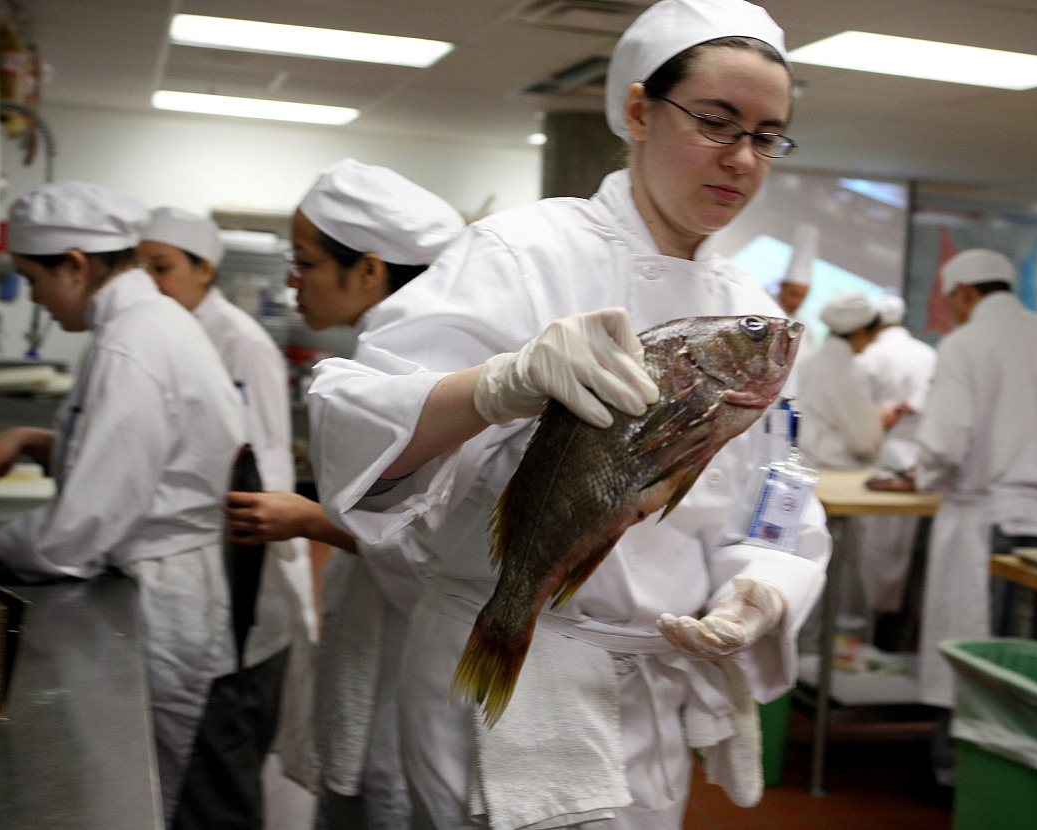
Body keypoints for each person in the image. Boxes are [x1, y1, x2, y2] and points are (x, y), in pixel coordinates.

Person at [306, 2, 831, 827]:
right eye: (716, 122)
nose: (741, 157)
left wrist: (762, 588)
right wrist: (494, 386)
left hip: (652, 690)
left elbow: (780, 495)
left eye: (767, 136)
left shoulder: (751, 317)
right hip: (507, 690)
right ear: (636, 110)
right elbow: (358, 432)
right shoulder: (521, 252)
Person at [0, 181, 284, 828]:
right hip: (182, 577)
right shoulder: (150, 323)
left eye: (32, 280)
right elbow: (145, 460)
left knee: (187, 794)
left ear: (73, 264)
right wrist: (41, 441)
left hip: (172, 593)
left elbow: (86, 522)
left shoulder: (131, 341)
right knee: (188, 782)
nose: (32, 298)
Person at [224, 158, 466, 830]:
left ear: (368, 270)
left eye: (303, 262)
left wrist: (312, 519)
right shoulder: (381, 354)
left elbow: (434, 559)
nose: (290, 280)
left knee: (387, 798)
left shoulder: (427, 375)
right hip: (376, 637)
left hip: (410, 665)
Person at [138, 207, 319, 821]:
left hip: (245, 578)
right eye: (141, 268)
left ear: (203, 268)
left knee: (226, 762)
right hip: (206, 576)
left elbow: (260, 469)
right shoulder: (163, 332)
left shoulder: (239, 342)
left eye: (161, 268)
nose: (149, 282)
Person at [914, 248, 1037, 784]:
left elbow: (944, 444)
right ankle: (1036, 774)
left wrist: (925, 477)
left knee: (978, 655)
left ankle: (964, 778)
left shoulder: (966, 344)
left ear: (964, 292)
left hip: (984, 518)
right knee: (1036, 661)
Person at [854, 293, 936, 633]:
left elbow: (860, 413)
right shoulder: (929, 354)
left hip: (877, 456)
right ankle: (892, 630)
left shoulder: (869, 354)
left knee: (868, 549)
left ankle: (865, 626)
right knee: (903, 551)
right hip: (917, 459)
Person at [795, 291, 903, 469]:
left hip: (803, 464)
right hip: (833, 472)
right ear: (860, 332)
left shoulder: (808, 363)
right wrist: (880, 420)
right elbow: (864, 443)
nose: (874, 340)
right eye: (873, 334)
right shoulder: (847, 371)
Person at [774, 221, 819, 362]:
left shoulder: (806, 330)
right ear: (782, 286)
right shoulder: (758, 310)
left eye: (803, 296)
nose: (798, 302)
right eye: (794, 294)